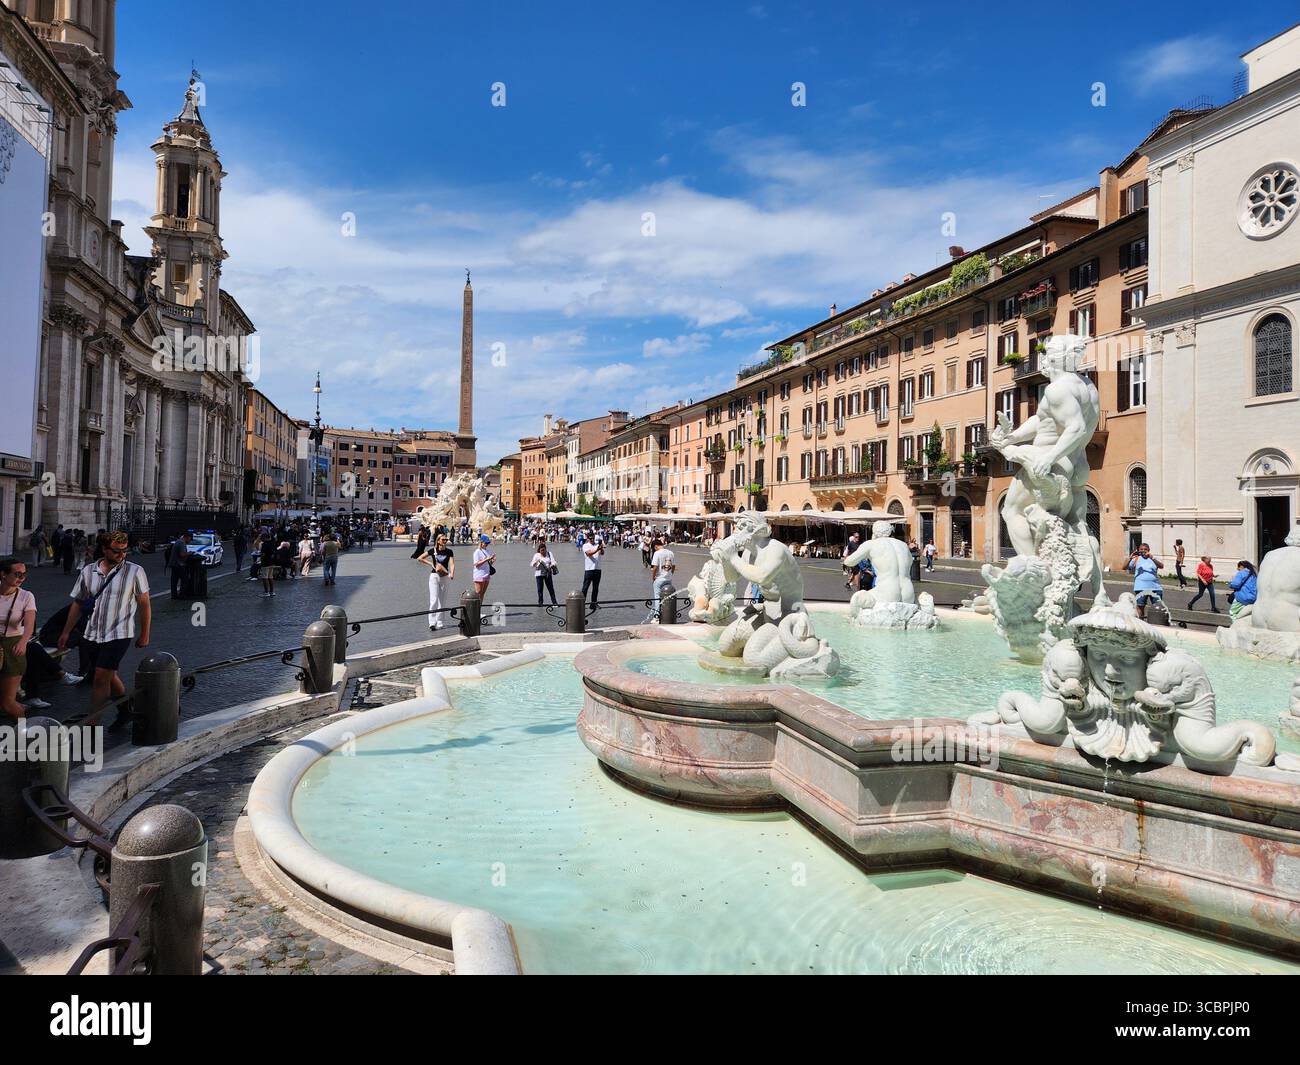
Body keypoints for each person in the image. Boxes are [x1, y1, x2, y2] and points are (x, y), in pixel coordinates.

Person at [58, 531, 150, 729]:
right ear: (104, 549)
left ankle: (92, 725)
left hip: (119, 633)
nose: (122, 555)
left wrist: (144, 634)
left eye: (124, 551)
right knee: (109, 674)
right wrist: (66, 631)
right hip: (92, 632)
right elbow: (78, 602)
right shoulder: (88, 571)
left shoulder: (135, 571)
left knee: (100, 678)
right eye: (117, 551)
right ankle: (126, 710)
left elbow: (144, 604)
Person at [0, 556, 36, 720]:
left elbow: (29, 624)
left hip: (13, 646)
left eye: (24, 574)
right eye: (17, 574)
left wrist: (23, 642)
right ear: (3, 574)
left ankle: (24, 734)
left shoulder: (26, 596)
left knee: (8, 703)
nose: (22, 578)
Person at [419, 533, 454, 630]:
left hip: (445, 576)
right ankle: (432, 622)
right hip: (434, 576)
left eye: (446, 540)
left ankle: (440, 621)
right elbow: (420, 558)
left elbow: (452, 564)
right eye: (443, 540)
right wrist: (430, 563)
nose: (445, 541)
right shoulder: (433, 550)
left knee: (442, 600)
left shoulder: (449, 551)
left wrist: (452, 573)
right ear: (438, 541)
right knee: (433, 600)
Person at [1126, 543, 1164, 620]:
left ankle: (1156, 623)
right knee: (1140, 606)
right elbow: (1124, 567)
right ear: (1139, 550)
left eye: (1145, 549)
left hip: (1155, 587)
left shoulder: (1153, 558)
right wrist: (1130, 558)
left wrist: (1152, 558)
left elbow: (1161, 566)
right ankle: (1141, 623)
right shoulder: (1136, 559)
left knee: (1158, 607)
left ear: (1148, 550)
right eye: (1141, 549)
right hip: (1141, 587)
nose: (1143, 551)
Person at [650, 538, 677, 621]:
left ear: (655, 546)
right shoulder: (671, 553)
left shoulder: (657, 553)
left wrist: (653, 577)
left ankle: (656, 616)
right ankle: (667, 616)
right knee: (667, 598)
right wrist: (670, 574)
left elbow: (655, 567)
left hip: (659, 578)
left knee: (657, 597)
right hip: (668, 579)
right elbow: (673, 566)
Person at [531, 538, 558, 607]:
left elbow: (553, 561)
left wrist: (552, 565)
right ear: (539, 550)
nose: (543, 552)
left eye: (544, 550)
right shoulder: (536, 555)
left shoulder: (549, 553)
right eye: (542, 550)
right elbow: (531, 565)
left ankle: (554, 603)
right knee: (540, 589)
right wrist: (537, 562)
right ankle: (540, 603)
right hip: (539, 574)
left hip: (547, 573)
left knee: (551, 588)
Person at [583, 533, 605, 608]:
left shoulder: (597, 545)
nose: (592, 539)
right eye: (590, 538)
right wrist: (597, 549)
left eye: (593, 538)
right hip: (589, 569)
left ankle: (593, 603)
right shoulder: (585, 545)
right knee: (585, 587)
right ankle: (582, 603)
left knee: (595, 588)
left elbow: (602, 553)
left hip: (597, 568)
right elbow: (589, 553)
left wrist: (601, 548)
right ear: (588, 538)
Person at [472, 534, 495, 599]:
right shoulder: (477, 552)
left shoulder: (488, 551)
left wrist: (492, 560)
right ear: (481, 542)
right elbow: (476, 565)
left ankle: (479, 607)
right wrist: (487, 559)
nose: (487, 544)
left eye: (488, 543)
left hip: (487, 574)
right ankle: (476, 608)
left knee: (482, 594)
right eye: (486, 543)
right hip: (479, 574)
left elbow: (488, 564)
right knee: (478, 594)